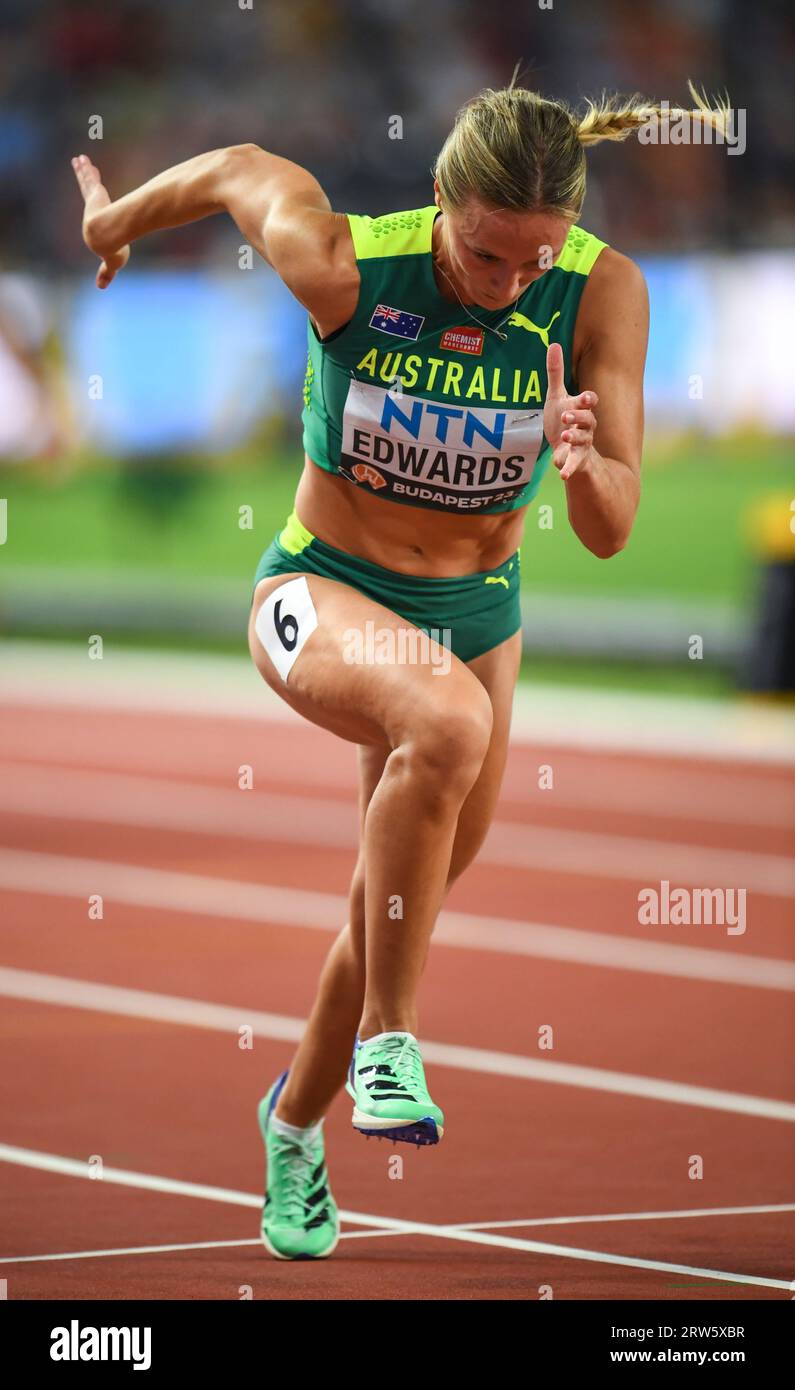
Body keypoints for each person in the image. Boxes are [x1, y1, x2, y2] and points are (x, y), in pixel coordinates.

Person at [72, 75, 729, 1261]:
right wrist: (115, 222)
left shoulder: (602, 292)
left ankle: (291, 1122)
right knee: (453, 724)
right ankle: (391, 1043)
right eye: (487, 256)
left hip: (477, 611)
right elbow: (233, 165)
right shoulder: (343, 265)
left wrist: (583, 461)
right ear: (439, 203)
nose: (511, 282)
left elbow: (613, 524)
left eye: (535, 262)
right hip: (319, 591)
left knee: (387, 906)